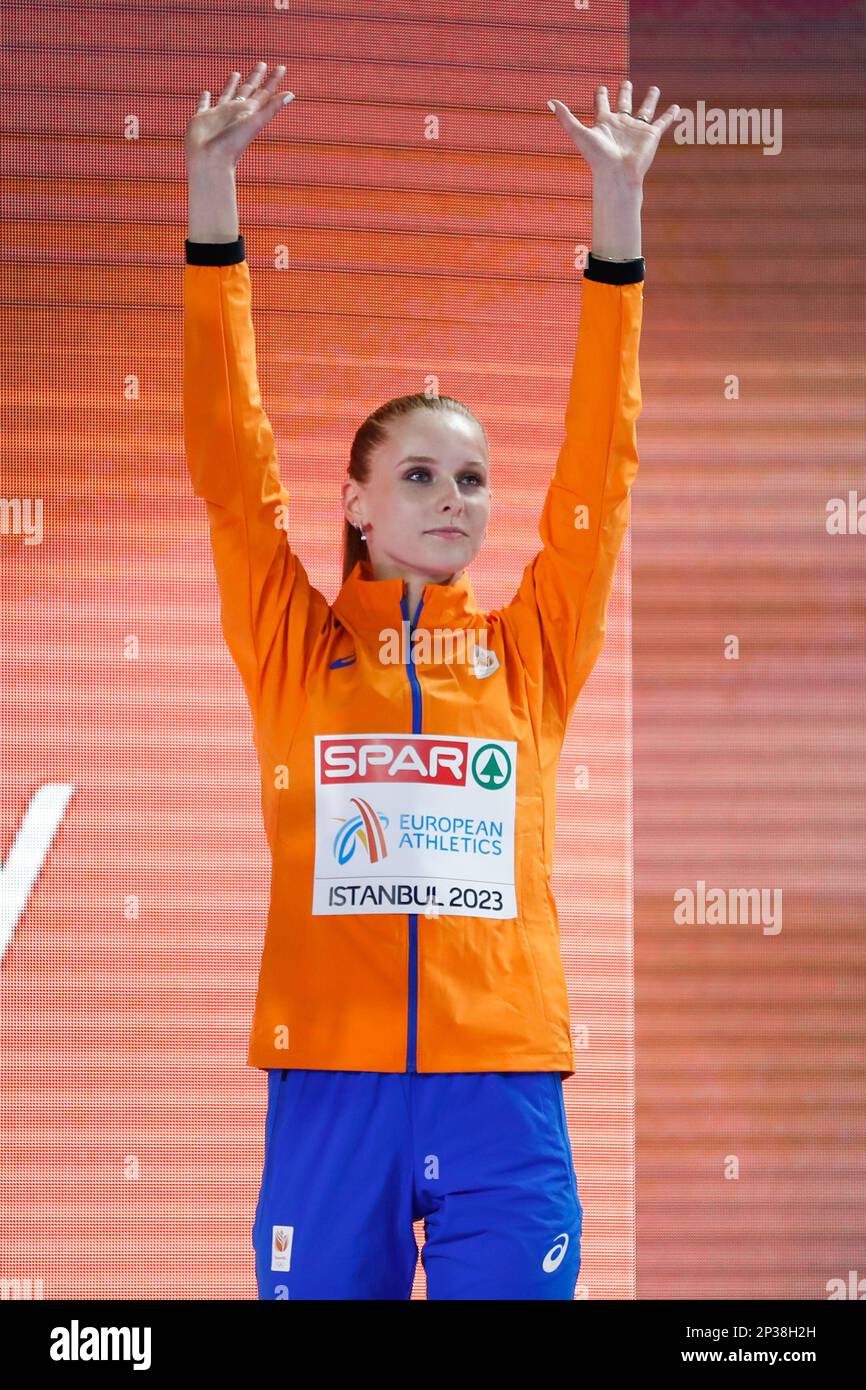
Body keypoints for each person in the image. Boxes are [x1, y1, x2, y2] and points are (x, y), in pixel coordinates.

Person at [182, 62, 678, 1300]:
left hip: (502, 1082)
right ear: (350, 501)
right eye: (415, 474)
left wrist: (616, 229)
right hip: (330, 1087)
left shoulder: (528, 652)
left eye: (469, 480)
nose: (450, 499)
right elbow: (231, 469)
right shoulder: (294, 644)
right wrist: (210, 198)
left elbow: (597, 483)